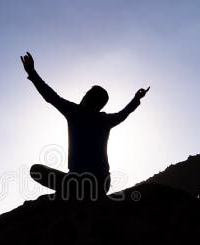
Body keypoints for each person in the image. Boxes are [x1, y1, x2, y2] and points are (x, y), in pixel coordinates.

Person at [21, 51, 149, 199]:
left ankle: (71, 191)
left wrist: (32, 73)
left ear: (88, 97)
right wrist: (136, 99)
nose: (83, 96)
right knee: (46, 173)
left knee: (36, 170)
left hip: (85, 181)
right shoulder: (104, 119)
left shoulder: (75, 112)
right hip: (101, 183)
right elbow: (124, 113)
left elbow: (50, 96)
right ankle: (73, 190)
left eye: (86, 94)